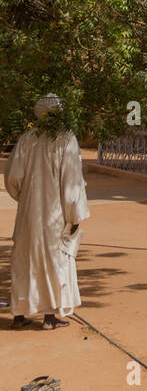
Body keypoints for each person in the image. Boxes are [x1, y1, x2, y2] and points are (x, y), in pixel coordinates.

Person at [4, 94, 90, 330]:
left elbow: (12, 178)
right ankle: (50, 317)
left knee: (25, 259)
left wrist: (26, 199)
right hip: (55, 216)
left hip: (29, 216)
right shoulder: (66, 139)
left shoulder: (26, 139)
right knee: (55, 261)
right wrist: (75, 216)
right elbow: (72, 184)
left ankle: (20, 314)